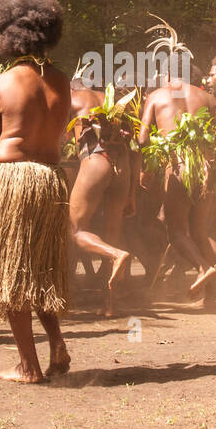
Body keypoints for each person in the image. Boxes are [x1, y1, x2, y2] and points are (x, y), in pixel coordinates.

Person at [0, 0, 72, 383]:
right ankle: (56, 344)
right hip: (50, 179)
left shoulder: (1, 83)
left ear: (6, 34)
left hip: (10, 181)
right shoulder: (61, 80)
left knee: (11, 273)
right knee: (41, 269)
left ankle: (28, 366)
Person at [138, 65, 216, 304]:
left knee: (176, 231)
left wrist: (146, 168)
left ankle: (203, 268)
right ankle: (212, 297)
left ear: (167, 75)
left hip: (178, 167)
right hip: (207, 170)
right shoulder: (207, 97)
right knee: (199, 232)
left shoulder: (156, 96)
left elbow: (143, 138)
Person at [68, 80, 135, 316]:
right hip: (123, 165)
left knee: (73, 230)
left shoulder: (73, 99)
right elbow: (133, 147)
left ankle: (64, 299)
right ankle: (109, 305)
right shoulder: (115, 102)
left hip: (96, 161)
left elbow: (58, 139)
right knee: (112, 234)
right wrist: (132, 194)